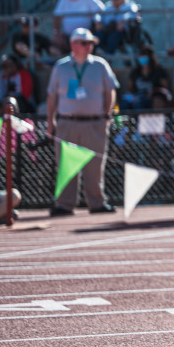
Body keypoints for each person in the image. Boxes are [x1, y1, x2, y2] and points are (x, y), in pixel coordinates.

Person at [46, 28, 118, 216]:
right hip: (67, 123)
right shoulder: (60, 67)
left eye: (91, 43)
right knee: (65, 166)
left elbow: (110, 90)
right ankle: (65, 204)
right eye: (85, 43)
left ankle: (97, 202)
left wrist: (106, 115)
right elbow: (51, 97)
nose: (89, 47)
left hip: (94, 123)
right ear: (73, 45)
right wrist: (50, 122)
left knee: (95, 166)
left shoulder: (100, 65)